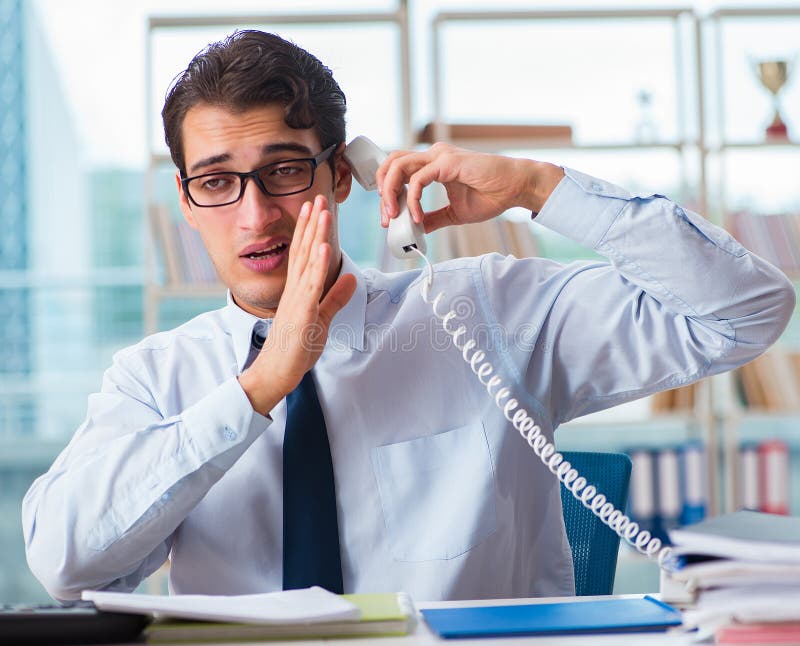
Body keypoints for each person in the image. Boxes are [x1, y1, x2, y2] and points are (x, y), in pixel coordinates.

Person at [23, 30, 793, 603]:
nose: (255, 216)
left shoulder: (487, 312)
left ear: (343, 175)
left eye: (284, 171)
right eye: (217, 182)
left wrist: (537, 186)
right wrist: (256, 390)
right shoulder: (155, 378)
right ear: (187, 203)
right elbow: (63, 564)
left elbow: (744, 310)